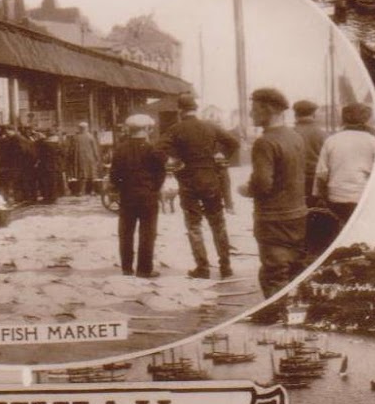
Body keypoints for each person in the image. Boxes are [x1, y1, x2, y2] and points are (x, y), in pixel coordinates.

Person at [241, 88, 310, 298]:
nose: (251, 114)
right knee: (295, 270)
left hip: (273, 219)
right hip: (297, 215)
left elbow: (263, 183)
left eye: (254, 109)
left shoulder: (265, 142)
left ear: (267, 109)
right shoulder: (295, 136)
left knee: (274, 275)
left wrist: (246, 189)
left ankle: (275, 315)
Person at [161, 94, 240, 279]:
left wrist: (175, 162)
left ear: (180, 111)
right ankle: (225, 267)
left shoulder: (175, 129)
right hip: (210, 180)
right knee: (218, 224)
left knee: (194, 225)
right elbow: (233, 142)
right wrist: (222, 156)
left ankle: (202, 268)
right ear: (195, 109)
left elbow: (158, 149)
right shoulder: (210, 126)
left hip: (188, 182)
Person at [109, 114, 167, 278]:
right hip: (148, 196)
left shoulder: (120, 149)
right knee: (147, 233)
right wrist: (154, 188)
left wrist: (121, 188)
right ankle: (144, 269)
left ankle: (126, 268)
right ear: (147, 129)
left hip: (127, 196)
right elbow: (161, 174)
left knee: (126, 232)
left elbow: (114, 175)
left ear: (129, 130)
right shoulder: (153, 149)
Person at [314, 102, 375, 225]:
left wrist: (321, 199)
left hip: (336, 198)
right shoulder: (373, 142)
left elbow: (321, 175)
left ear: (344, 119)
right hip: (362, 198)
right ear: (366, 119)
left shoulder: (331, 141)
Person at [290, 100, 328, 207]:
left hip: (293, 179)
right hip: (315, 180)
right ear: (314, 114)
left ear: (295, 115)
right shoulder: (322, 134)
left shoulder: (290, 133)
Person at [70, 122, 103, 196]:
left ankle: (81, 191)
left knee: (82, 175)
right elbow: (95, 149)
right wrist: (97, 158)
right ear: (86, 128)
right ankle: (92, 191)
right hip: (90, 159)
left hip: (80, 159)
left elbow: (72, 150)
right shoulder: (90, 137)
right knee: (92, 174)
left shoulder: (76, 137)